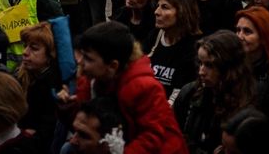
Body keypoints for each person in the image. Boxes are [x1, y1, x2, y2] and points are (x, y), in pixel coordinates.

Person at [71, 21, 189, 154]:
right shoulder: (93, 79)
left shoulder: (144, 87)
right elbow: (80, 120)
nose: (80, 62)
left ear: (113, 66)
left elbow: (152, 136)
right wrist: (66, 108)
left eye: (88, 58)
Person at [173, 30, 255, 154]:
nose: (201, 71)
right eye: (200, 63)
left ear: (229, 67)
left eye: (209, 65)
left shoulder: (249, 103)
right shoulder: (189, 93)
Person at [147, 0, 201, 98]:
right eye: (158, 6)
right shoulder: (154, 36)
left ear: (182, 12)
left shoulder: (193, 47)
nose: (156, 12)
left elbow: (182, 93)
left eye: (165, 7)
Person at [16, 23, 62, 153]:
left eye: (34, 48)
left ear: (50, 54)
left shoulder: (54, 86)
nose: (25, 52)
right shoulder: (21, 77)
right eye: (25, 46)